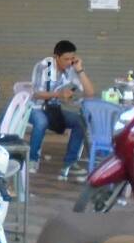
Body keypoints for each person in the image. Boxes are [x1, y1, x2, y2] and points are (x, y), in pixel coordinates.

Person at [29, 39, 95, 177]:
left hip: (53, 108)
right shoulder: (45, 67)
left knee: (80, 122)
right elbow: (36, 94)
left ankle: (70, 163)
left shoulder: (70, 69)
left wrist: (80, 69)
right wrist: (59, 94)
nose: (69, 62)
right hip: (34, 107)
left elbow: (90, 93)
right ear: (56, 57)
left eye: (72, 59)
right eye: (66, 59)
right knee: (41, 122)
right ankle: (32, 159)